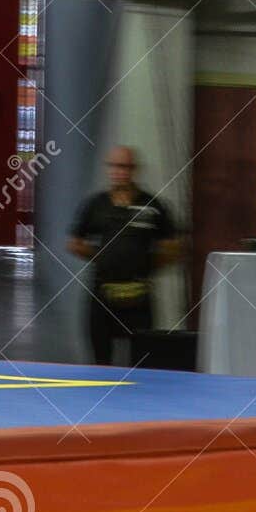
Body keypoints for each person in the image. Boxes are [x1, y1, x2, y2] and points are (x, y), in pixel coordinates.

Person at [68, 146, 180, 367]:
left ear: (135, 170)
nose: (121, 172)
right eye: (116, 166)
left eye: (126, 167)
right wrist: (104, 257)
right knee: (101, 361)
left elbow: (172, 246)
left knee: (141, 362)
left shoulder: (152, 205)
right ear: (109, 169)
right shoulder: (96, 205)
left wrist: (145, 265)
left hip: (139, 299)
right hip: (103, 296)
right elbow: (75, 243)